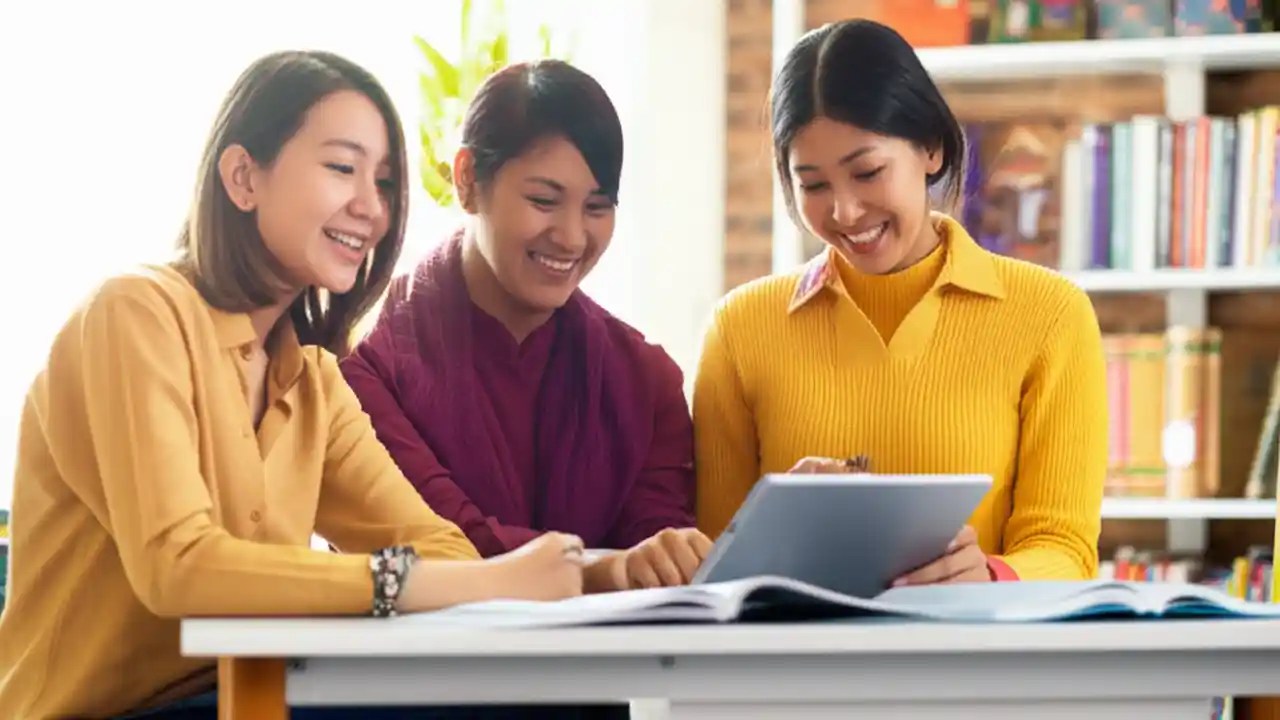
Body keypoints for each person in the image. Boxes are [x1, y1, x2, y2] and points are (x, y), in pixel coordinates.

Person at [0, 50, 590, 720]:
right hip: (110, 711)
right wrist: (459, 582)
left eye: (385, 182)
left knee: (566, 697)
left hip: (252, 692)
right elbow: (181, 567)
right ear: (243, 177)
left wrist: (479, 579)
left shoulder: (314, 382)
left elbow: (438, 548)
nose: (371, 208)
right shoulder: (135, 314)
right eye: (342, 167)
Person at [692, 19, 1106, 586]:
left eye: (867, 172)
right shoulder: (740, 329)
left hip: (976, 642)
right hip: (798, 645)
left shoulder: (1051, 315)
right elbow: (713, 560)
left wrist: (990, 575)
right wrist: (776, 523)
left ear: (930, 148)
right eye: (813, 185)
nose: (844, 211)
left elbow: (1065, 549)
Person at [340, 59, 712, 597]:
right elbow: (444, 544)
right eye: (543, 201)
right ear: (468, 180)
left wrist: (666, 556)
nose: (571, 237)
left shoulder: (645, 380)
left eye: (597, 207)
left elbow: (658, 555)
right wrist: (604, 572)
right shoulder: (366, 369)